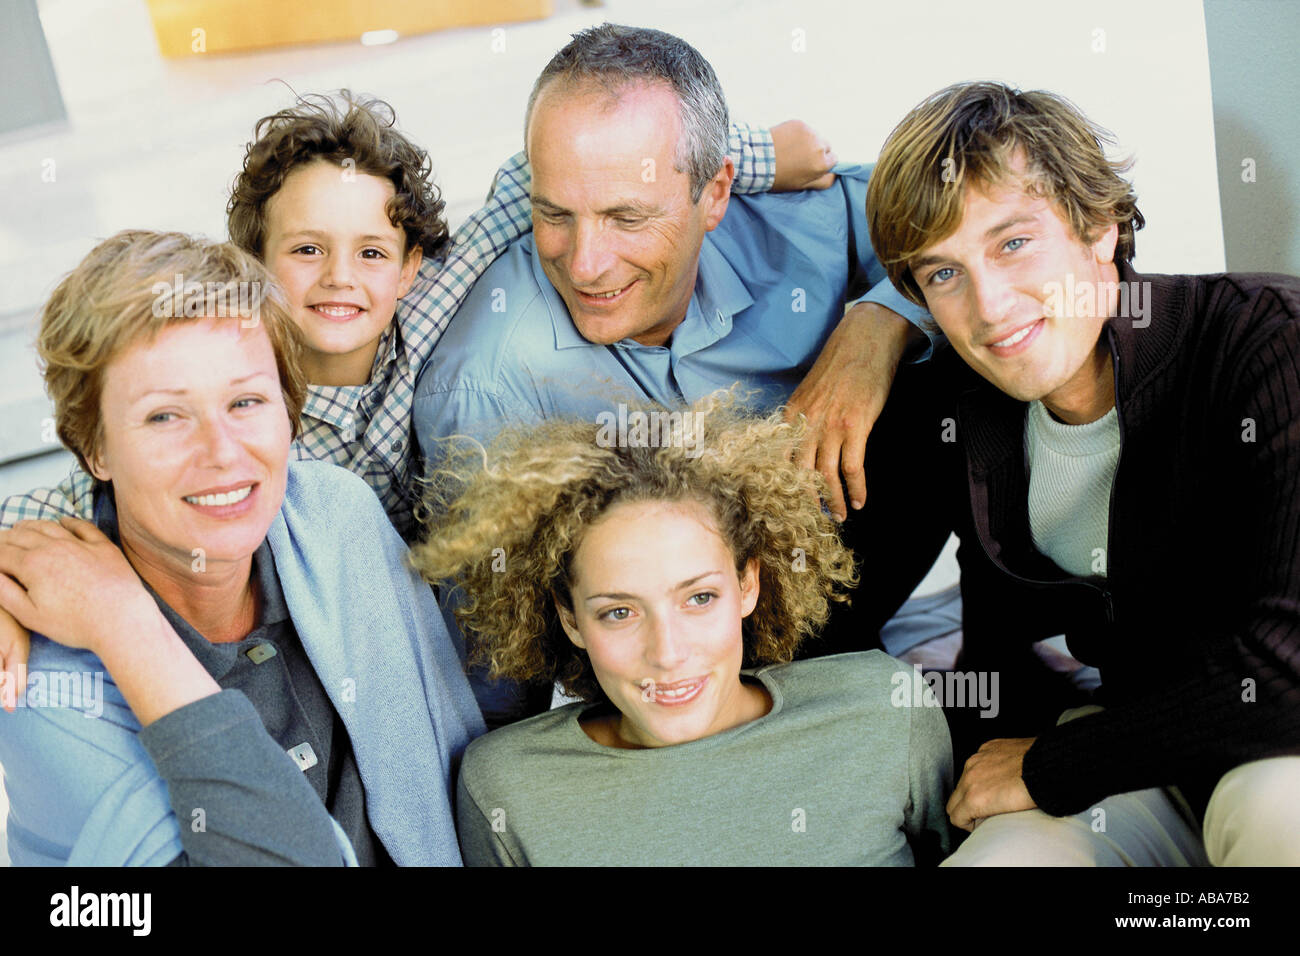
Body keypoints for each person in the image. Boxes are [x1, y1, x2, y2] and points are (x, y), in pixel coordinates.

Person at [412, 23, 956, 720]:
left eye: (626, 217)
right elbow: (492, 671)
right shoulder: (484, 378)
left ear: (716, 193)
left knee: (962, 364)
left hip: (835, 560)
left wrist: (881, 323)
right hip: (656, 668)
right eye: (555, 215)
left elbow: (953, 230)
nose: (585, 264)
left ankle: (1001, 660)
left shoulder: (797, 218)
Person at [3, 91, 813, 542]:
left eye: (369, 253)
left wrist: (757, 155)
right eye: (306, 251)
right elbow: (83, 487)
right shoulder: (237, 388)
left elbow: (533, 170)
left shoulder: (427, 303)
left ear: (410, 265)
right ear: (253, 261)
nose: (340, 280)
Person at [864, 81, 1300, 865]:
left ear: (1099, 225)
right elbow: (994, 654)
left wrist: (1051, 767)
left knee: (1283, 815)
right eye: (943, 274)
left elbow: (1289, 667)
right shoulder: (966, 414)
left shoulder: (1268, 342)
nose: (990, 307)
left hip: (1279, 749)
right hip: (1141, 755)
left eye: (1013, 242)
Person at [0, 232, 484, 865]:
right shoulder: (38, 679)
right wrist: (127, 630)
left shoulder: (338, 519)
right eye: (165, 417)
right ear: (95, 449)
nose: (223, 453)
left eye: (246, 401)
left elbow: (452, 774)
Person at [411, 393, 954, 865]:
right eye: (618, 612)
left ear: (748, 585)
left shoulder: (885, 709)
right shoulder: (506, 785)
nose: (668, 654)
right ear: (570, 617)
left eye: (699, 598)